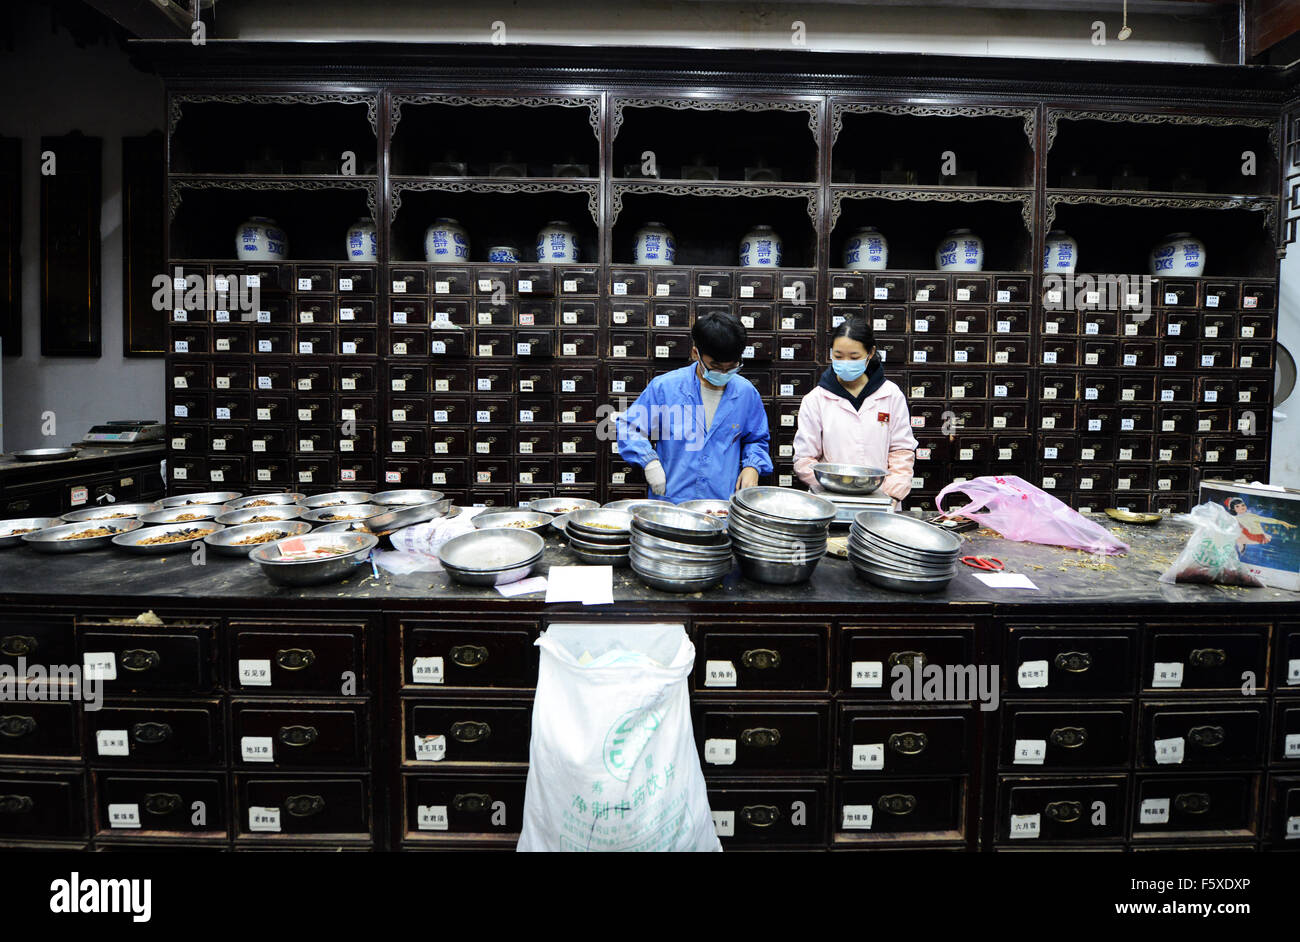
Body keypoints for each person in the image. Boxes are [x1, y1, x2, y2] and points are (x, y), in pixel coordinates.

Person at [617, 312, 772, 503]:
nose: (723, 373)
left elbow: (756, 438)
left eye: (731, 367)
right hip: (673, 502)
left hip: (721, 503)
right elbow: (628, 426)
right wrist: (649, 461)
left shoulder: (746, 393)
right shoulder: (666, 388)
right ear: (695, 353)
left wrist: (752, 466)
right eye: (715, 366)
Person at [792, 317, 917, 502]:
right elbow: (805, 459)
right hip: (831, 499)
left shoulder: (890, 395)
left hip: (882, 499)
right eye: (838, 356)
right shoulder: (816, 399)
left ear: (870, 353)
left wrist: (890, 494)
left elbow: (901, 450)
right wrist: (835, 487)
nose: (846, 362)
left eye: (854, 357)